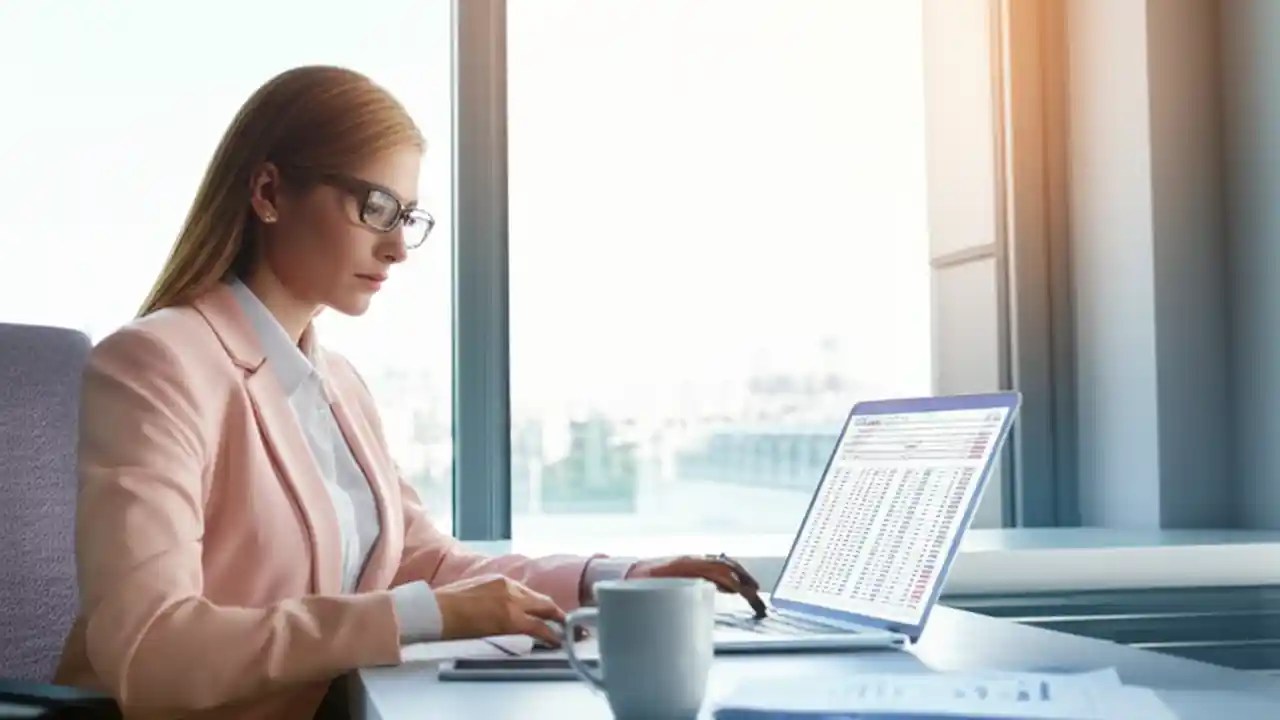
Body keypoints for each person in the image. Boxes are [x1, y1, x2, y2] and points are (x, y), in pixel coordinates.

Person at [53, 65, 764, 720]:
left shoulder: (337, 386)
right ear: (269, 192)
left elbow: (430, 565)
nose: (397, 247)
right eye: (376, 207)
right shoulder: (157, 363)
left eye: (408, 218)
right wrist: (424, 616)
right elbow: (152, 652)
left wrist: (622, 578)